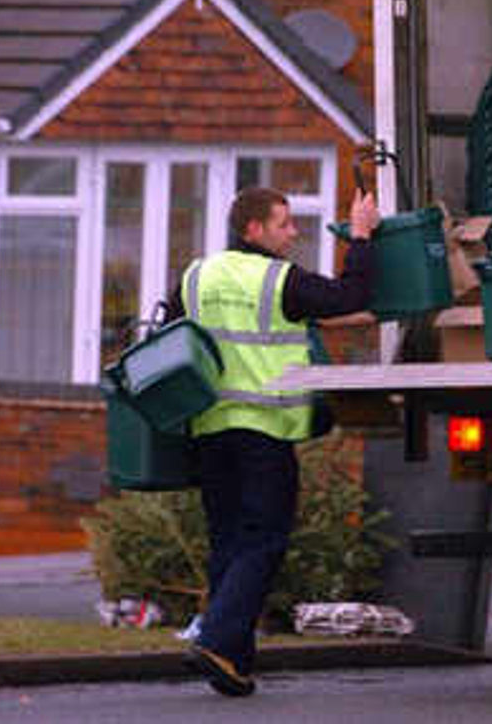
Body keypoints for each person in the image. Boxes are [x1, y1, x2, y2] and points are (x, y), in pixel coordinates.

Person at [169, 186, 380, 697]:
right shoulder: (277, 279)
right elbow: (350, 296)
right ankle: (217, 636)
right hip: (263, 430)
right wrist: (362, 235)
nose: (293, 233)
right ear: (253, 230)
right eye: (284, 224)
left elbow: (171, 329)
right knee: (264, 538)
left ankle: (231, 663)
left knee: (229, 541)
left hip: (210, 429)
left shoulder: (196, 275)